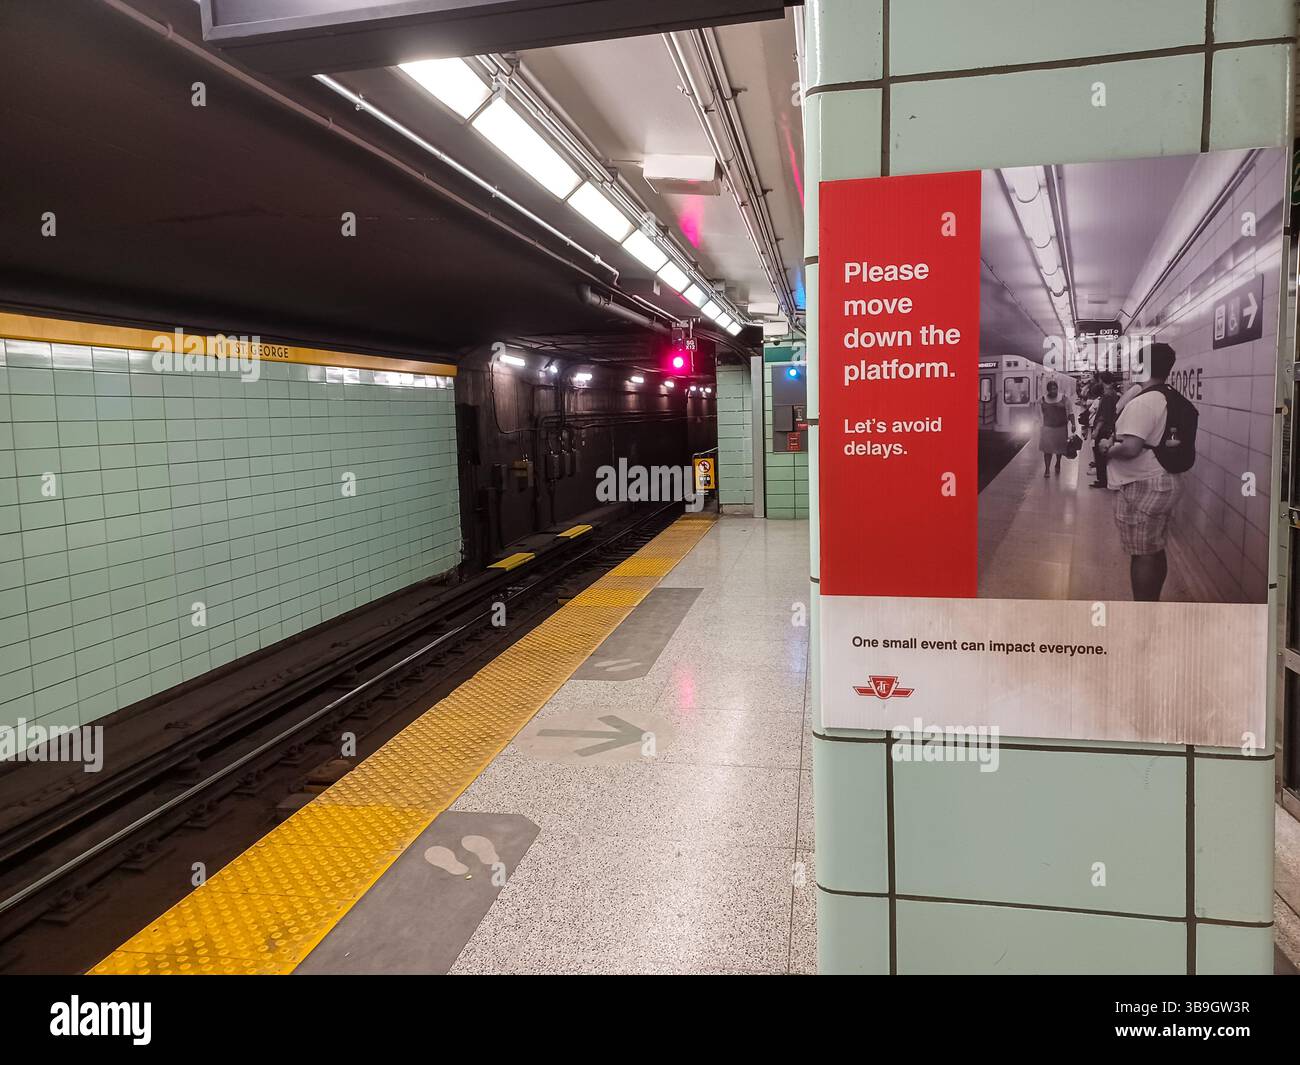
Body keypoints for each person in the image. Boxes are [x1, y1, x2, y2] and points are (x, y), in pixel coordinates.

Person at [1095, 343, 1182, 601]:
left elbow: (1131, 447)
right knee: (1155, 548)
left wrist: (1106, 449)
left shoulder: (1144, 402)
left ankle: (1143, 610)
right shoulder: (1167, 396)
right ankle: (1151, 603)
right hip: (1162, 480)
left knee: (1142, 553)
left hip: (1144, 484)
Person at [1088, 373, 1119, 489]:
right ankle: (1105, 479)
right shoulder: (1114, 394)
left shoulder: (1107, 396)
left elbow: (1103, 416)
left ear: (1102, 381)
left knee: (1100, 455)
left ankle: (1102, 481)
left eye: (1100, 380)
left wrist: (1096, 430)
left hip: (1103, 429)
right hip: (1109, 428)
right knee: (1105, 456)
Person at [1037, 379, 1075, 477]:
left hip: (1061, 428)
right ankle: (1047, 469)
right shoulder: (1042, 400)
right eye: (1051, 389)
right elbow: (1039, 415)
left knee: (1059, 449)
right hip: (1047, 428)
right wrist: (1040, 426)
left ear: (1057, 389)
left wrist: (1073, 424)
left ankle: (1058, 462)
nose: (1053, 391)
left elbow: (1070, 412)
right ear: (1048, 390)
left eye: (1055, 389)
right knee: (1047, 450)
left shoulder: (1064, 399)